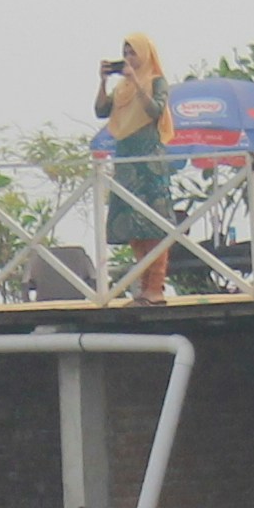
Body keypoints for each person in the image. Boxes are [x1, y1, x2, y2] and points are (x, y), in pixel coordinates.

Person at [95, 33, 176, 304]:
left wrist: (138, 83)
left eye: (133, 53)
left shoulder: (155, 81)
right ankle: (142, 285)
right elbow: (100, 111)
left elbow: (155, 111)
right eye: (125, 53)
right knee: (131, 223)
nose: (129, 58)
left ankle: (156, 286)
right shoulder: (122, 88)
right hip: (126, 157)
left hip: (149, 158)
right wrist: (104, 80)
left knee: (154, 223)